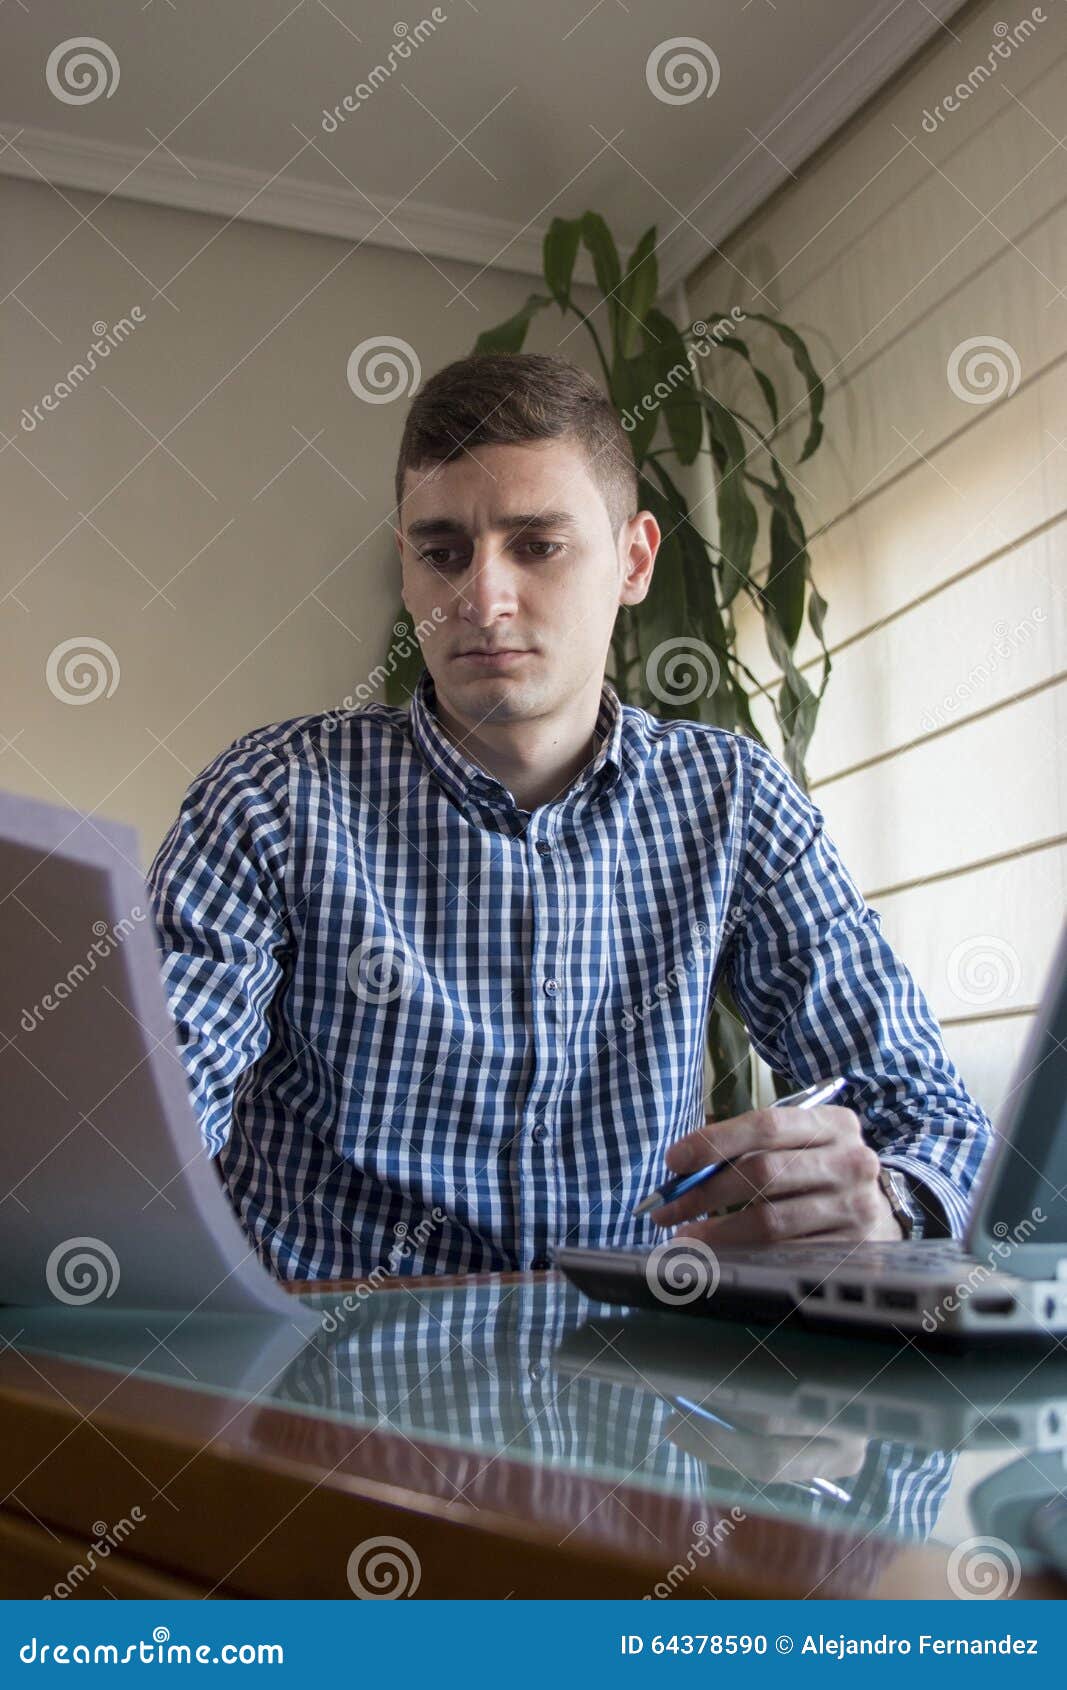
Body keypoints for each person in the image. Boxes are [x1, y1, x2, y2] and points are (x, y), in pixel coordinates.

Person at [147, 351, 992, 1282]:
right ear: (407, 567)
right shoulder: (270, 797)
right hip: (322, 1399)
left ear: (632, 561)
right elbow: (142, 1133)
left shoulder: (732, 802)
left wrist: (888, 1204)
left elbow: (934, 1122)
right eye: (441, 553)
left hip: (634, 1382)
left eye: (536, 545)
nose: (481, 598)